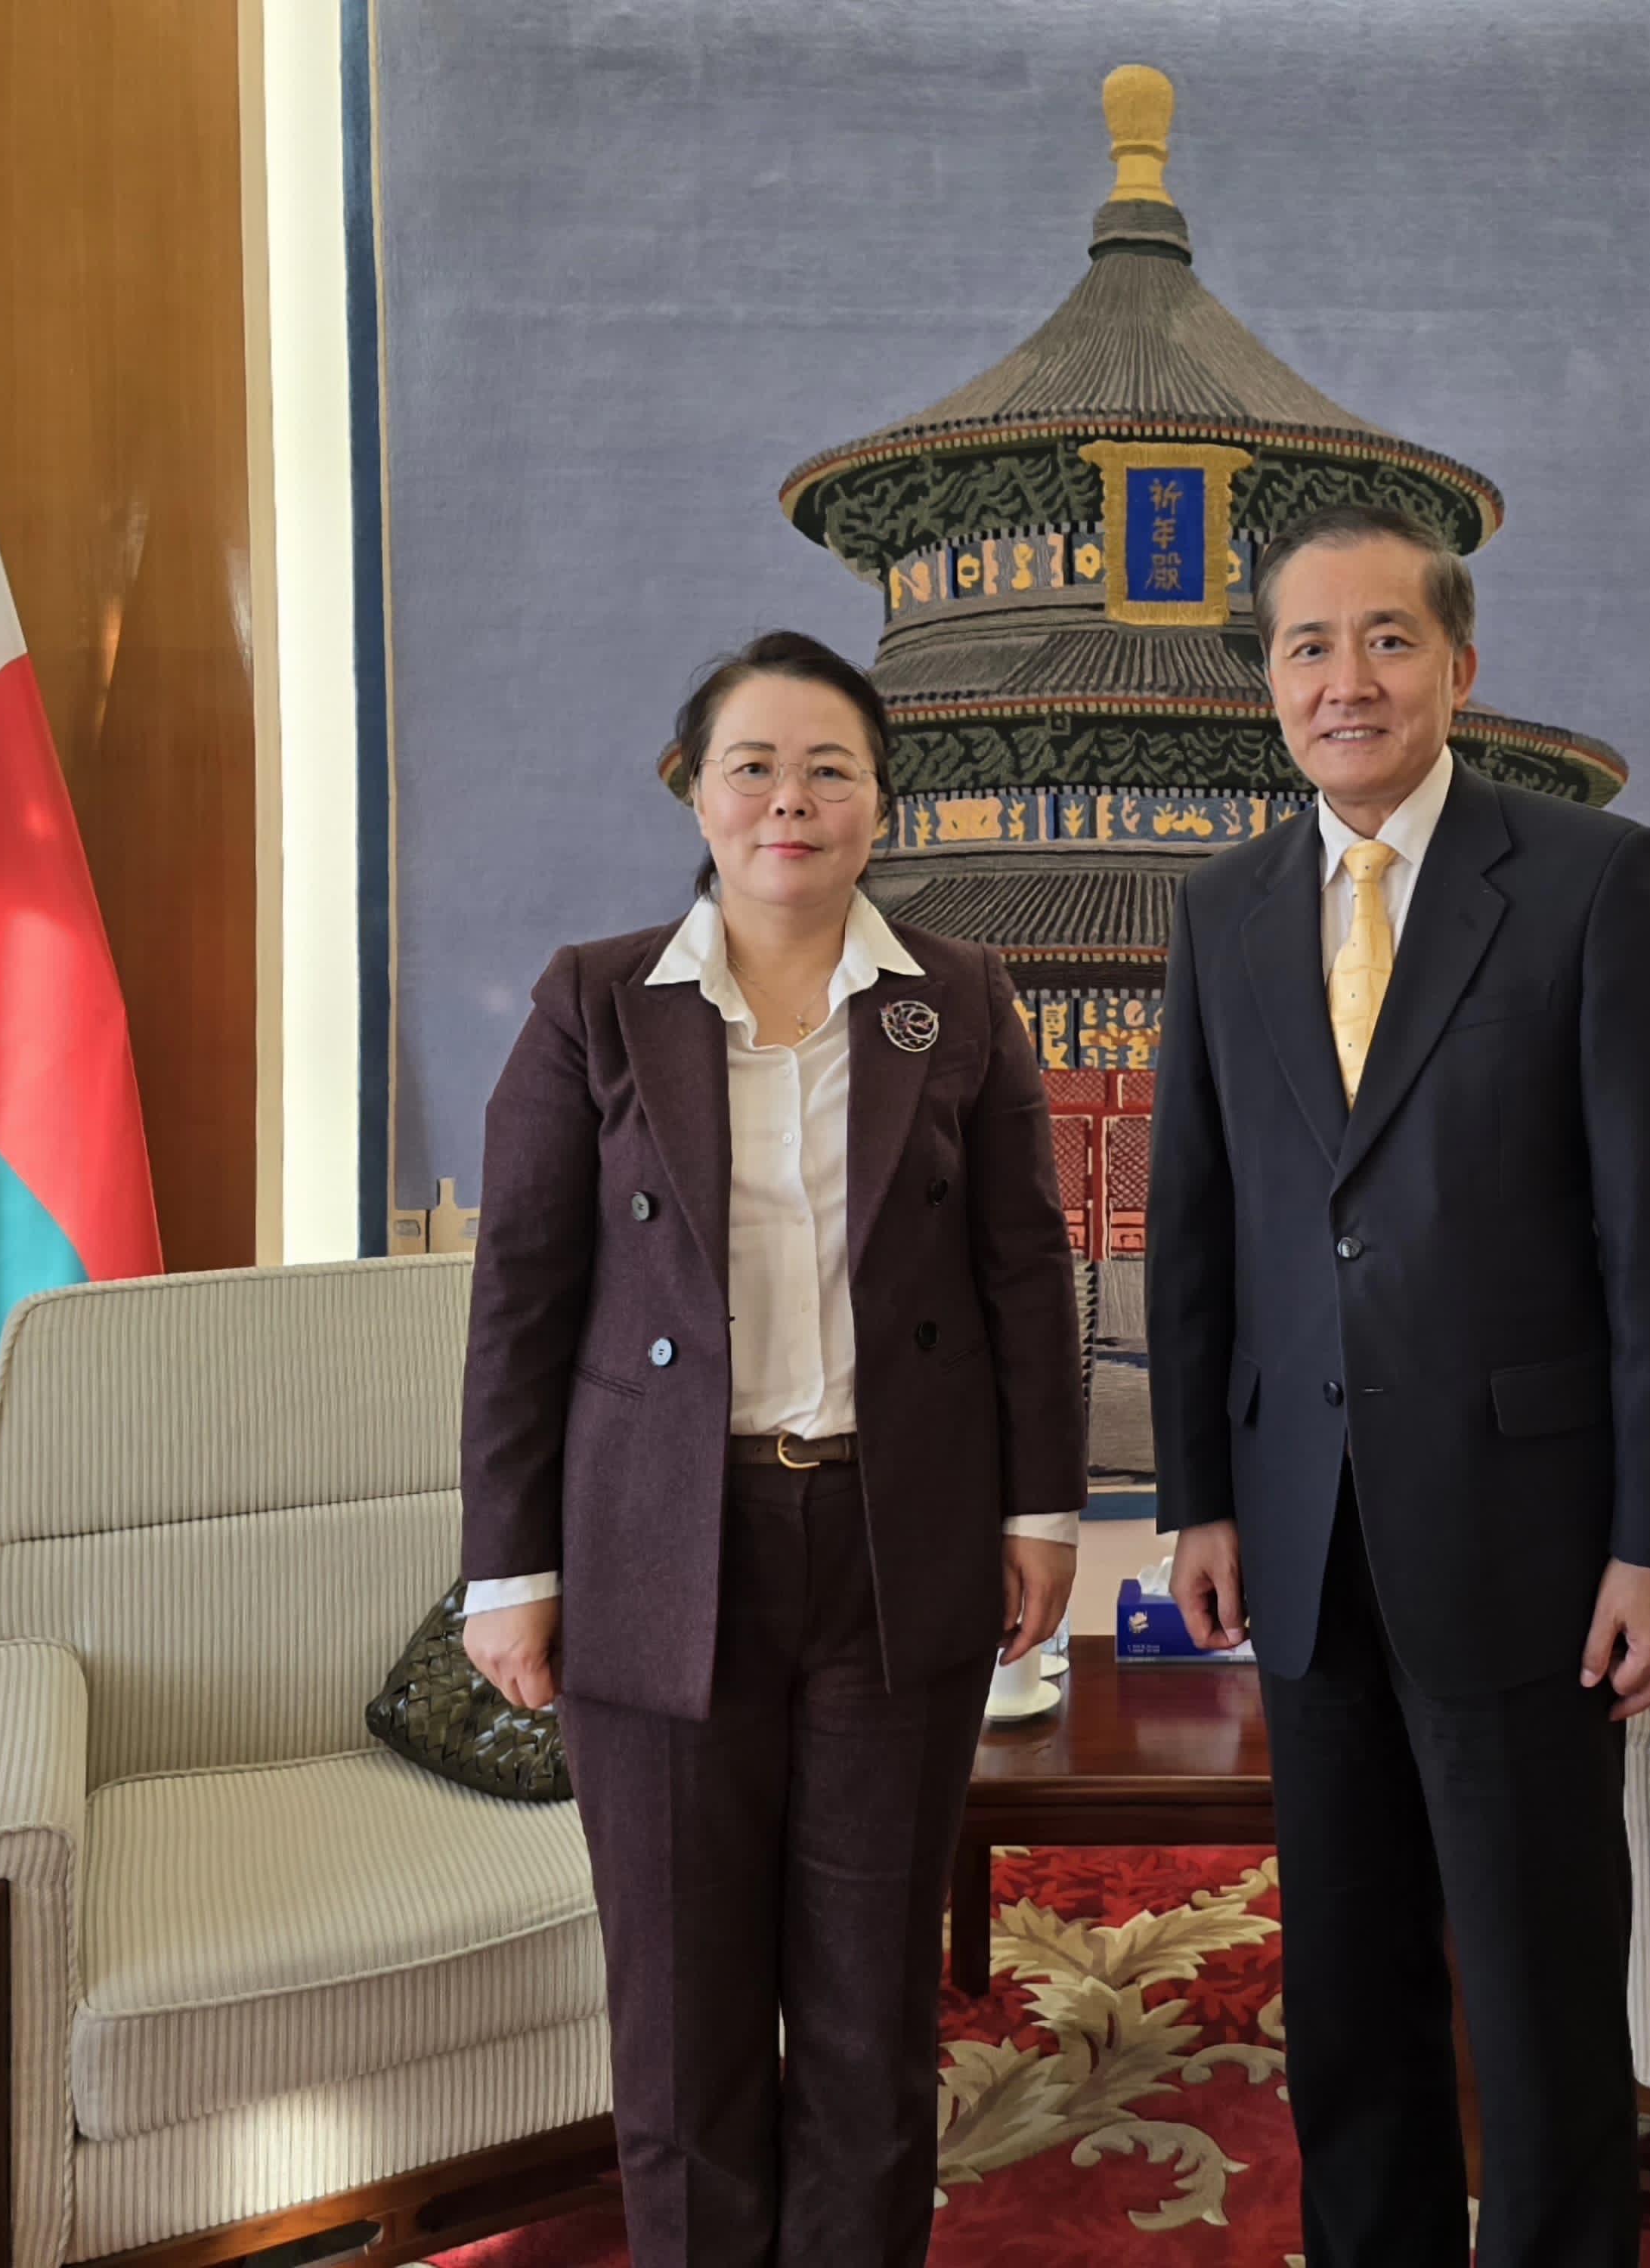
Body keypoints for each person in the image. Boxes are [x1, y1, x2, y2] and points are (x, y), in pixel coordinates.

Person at [1147, 506, 1650, 2265]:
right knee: (1345, 1983)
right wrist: (1197, 1496)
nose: (1347, 679)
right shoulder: (1223, 911)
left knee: (1543, 1979)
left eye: (1386, 641)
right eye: (1307, 647)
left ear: (1459, 669)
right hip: (1305, 1541)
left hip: (1527, 1536)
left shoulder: (1584, 880)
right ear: (1267, 683)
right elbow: (1196, 1230)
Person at [459, 630, 1085, 2268]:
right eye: (754, 766)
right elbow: (521, 1297)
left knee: (871, 2005)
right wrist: (508, 1570)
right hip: (663, 1548)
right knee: (682, 2008)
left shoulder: (950, 1001)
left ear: (882, 805)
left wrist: (1040, 1513)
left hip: (896, 1548)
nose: (789, 800)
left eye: (830, 769)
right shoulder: (595, 1002)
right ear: (695, 790)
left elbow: (1025, 1267)